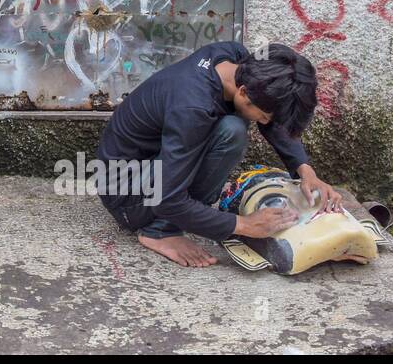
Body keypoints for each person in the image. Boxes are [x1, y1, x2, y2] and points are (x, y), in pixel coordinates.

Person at [96, 41, 341, 268]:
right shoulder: (192, 108)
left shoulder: (235, 59)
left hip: (151, 167)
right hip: (127, 195)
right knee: (233, 129)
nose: (264, 123)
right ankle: (159, 230)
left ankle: (169, 220)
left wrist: (305, 170)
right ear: (244, 92)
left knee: (234, 124)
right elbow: (167, 199)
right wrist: (246, 225)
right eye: (264, 118)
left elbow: (271, 116)